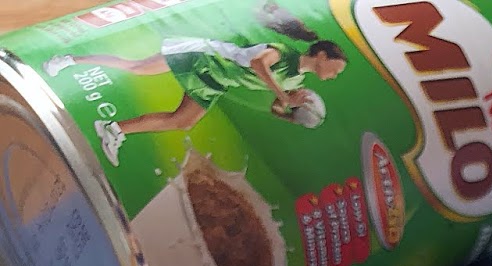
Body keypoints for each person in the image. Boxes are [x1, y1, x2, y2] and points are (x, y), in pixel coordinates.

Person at [44, 17, 346, 166]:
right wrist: (284, 97)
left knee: (183, 121)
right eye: (336, 68)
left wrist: (293, 115)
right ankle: (68, 59)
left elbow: (276, 108)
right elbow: (257, 64)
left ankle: (113, 129)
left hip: (216, 81)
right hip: (205, 57)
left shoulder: (295, 84)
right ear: (321, 56)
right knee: (137, 68)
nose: (334, 76)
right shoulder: (285, 52)